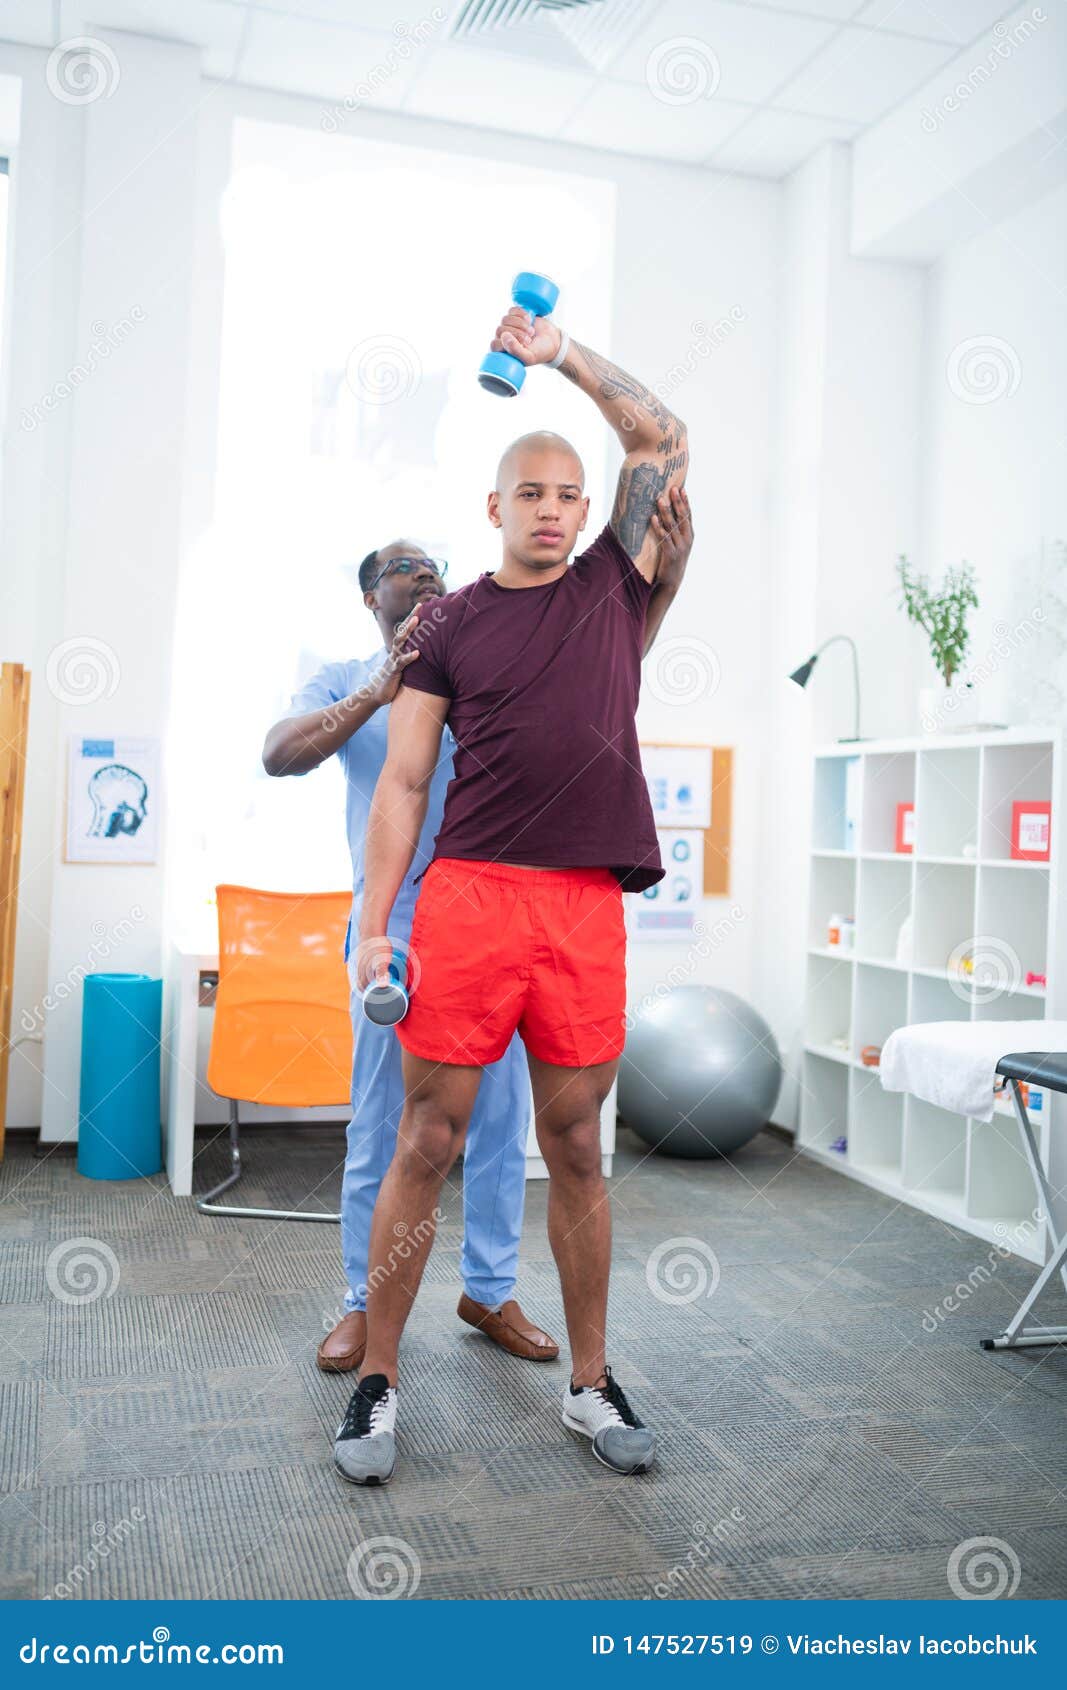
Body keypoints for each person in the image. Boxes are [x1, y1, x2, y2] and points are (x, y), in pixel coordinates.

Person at [338, 302, 691, 1486]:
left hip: (584, 904)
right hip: (474, 899)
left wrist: (562, 355)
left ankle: (589, 1385)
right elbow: (401, 780)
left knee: (577, 1142)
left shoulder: (610, 591)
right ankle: (379, 1381)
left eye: (567, 494)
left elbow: (661, 437)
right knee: (426, 1136)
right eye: (528, 492)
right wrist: (374, 925)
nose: (549, 507)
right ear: (492, 508)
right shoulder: (445, 621)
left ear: (587, 515)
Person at [262, 491, 692, 1382]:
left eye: (434, 568)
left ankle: (489, 1289)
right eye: (401, 568)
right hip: (399, 932)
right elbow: (280, 753)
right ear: (367, 597)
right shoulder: (345, 674)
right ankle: (358, 1301)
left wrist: (666, 577)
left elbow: (608, 659)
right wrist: (376, 693)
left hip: (499, 921)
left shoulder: (478, 658)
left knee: (503, 1125)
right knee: (390, 1127)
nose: (424, 578)